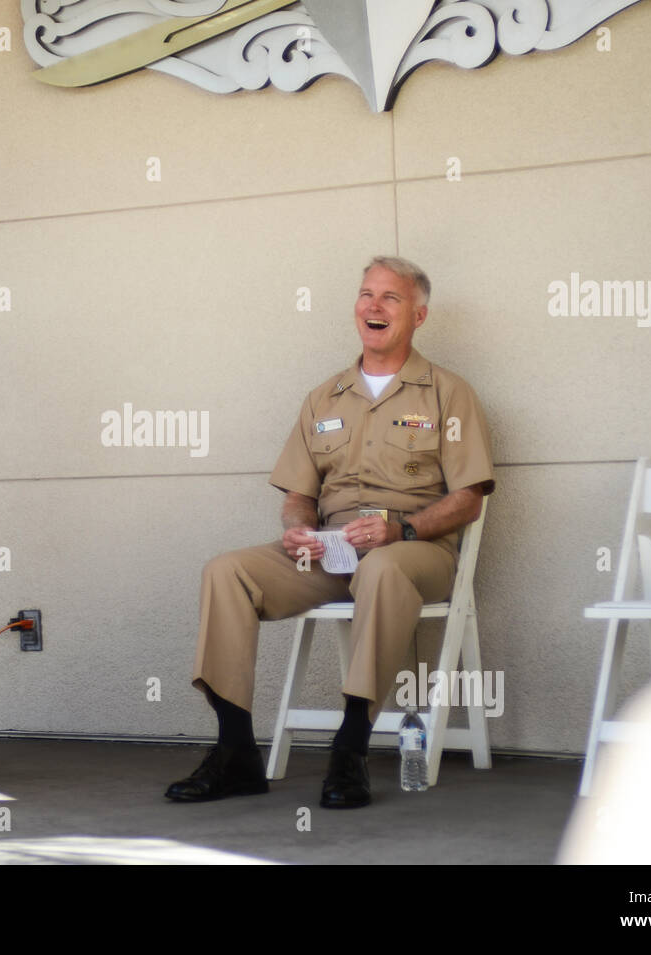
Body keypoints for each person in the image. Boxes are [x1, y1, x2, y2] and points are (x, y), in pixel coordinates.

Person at [165, 256, 495, 808]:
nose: (374, 305)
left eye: (390, 297)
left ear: (419, 315)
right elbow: (299, 495)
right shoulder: (325, 397)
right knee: (227, 571)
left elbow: (469, 497)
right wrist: (298, 531)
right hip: (331, 550)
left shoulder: (446, 393)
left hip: (415, 552)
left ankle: (350, 747)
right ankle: (236, 751)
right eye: (367, 294)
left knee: (384, 569)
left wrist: (401, 529)